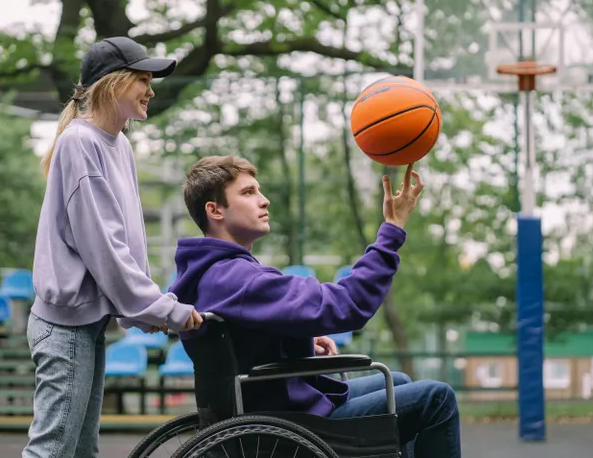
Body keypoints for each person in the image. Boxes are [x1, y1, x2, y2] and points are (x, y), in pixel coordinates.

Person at [170, 155, 462, 458]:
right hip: (284, 425)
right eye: (248, 192)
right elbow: (345, 304)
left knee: (399, 382)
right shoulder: (240, 278)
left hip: (256, 413)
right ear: (214, 210)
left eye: (259, 190)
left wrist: (301, 337)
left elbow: (244, 338)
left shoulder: (211, 274)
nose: (264, 200)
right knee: (437, 398)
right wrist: (392, 229)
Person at [23, 37, 201, 458]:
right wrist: (162, 310)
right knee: (53, 450)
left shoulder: (119, 145)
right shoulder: (80, 143)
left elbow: (124, 246)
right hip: (65, 328)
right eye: (142, 79)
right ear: (112, 84)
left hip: (88, 325)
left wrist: (142, 309)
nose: (151, 89)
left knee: (82, 451)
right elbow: (104, 251)